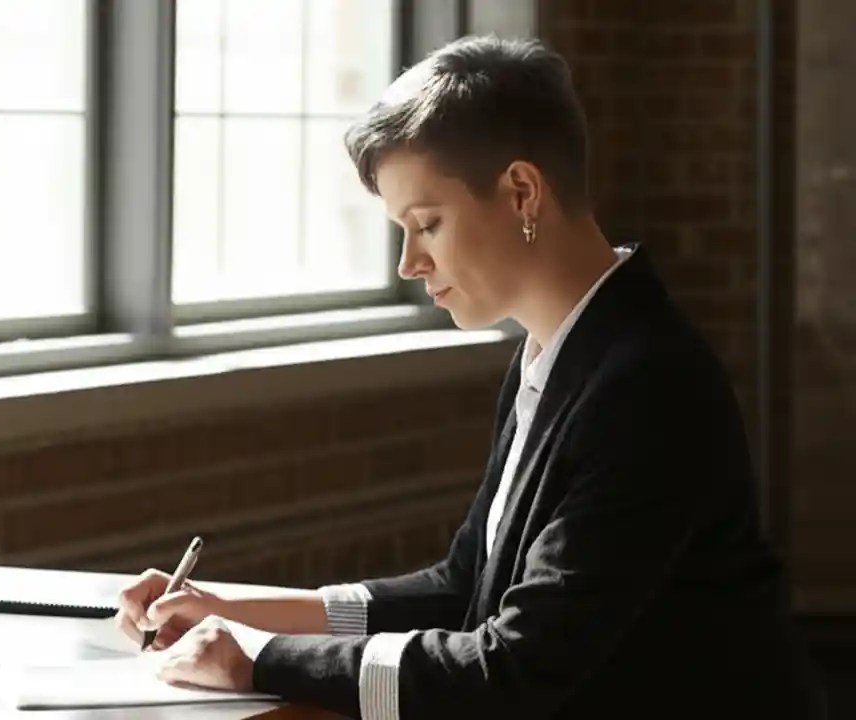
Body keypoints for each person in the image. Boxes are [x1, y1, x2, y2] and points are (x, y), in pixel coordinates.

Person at [114, 35, 825, 719]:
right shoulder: (553, 355)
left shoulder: (647, 386)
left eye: (427, 223)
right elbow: (464, 589)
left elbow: (513, 671)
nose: (409, 263)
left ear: (521, 192)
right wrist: (235, 612)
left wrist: (263, 658)